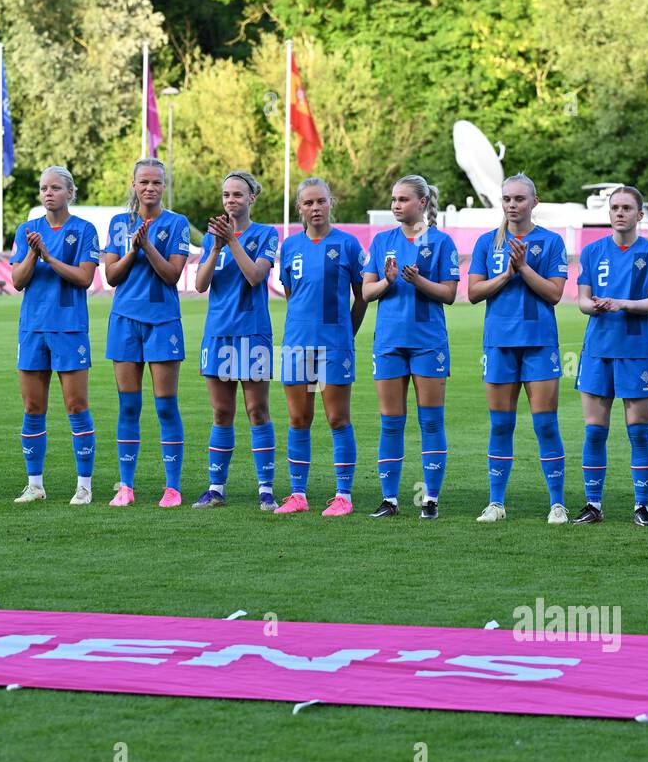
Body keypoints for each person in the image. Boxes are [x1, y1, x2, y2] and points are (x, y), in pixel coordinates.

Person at [467, 173, 569, 524]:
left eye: (520, 199)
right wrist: (506, 275)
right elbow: (473, 293)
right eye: (507, 199)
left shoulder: (551, 242)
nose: (512, 205)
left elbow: (554, 293)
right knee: (500, 425)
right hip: (499, 343)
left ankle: (557, 504)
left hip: (540, 343)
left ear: (534, 202)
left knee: (545, 425)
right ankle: (496, 503)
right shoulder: (487, 242)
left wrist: (523, 267)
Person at [361, 175, 458, 519]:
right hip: (388, 342)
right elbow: (365, 293)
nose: (396, 205)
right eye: (394, 199)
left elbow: (449, 294)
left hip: (428, 343)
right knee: (391, 422)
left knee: (431, 421)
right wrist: (387, 282)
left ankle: (429, 499)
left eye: (403, 199)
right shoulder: (381, 241)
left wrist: (418, 280)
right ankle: (390, 500)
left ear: (422, 203)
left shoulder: (441, 242)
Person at [572, 186, 648, 526]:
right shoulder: (592, 251)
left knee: (638, 430)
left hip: (636, 351)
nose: (620, 213)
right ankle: (593, 505)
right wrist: (595, 306)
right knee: (595, 431)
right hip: (597, 350)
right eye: (615, 207)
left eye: (627, 207)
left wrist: (622, 303)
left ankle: (642, 506)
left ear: (639, 214)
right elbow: (582, 300)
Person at [274, 177, 368, 516]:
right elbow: (291, 296)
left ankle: (343, 495)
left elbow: (362, 297)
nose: (315, 208)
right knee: (298, 418)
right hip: (297, 343)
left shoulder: (348, 245)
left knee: (337, 418)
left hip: (335, 346)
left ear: (331, 203)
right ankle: (298, 495)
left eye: (321, 202)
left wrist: (347, 333)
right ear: (299, 207)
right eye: (309, 203)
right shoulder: (290, 247)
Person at [103, 158, 192, 507]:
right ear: (134, 185)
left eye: (156, 182)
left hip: (163, 322)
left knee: (166, 406)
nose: (150, 188)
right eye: (144, 182)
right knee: (129, 406)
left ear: (164, 186)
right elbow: (111, 276)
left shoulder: (177, 223)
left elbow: (172, 275)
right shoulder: (118, 223)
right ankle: (126, 486)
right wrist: (133, 249)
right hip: (124, 320)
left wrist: (148, 246)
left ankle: (172, 488)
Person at [10, 166, 101, 505]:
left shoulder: (84, 230)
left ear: (69, 193)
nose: (48, 193)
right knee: (33, 407)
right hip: (33, 328)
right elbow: (18, 280)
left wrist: (48, 255)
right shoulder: (27, 231)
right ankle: (35, 485)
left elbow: (83, 278)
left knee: (76, 405)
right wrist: (34, 253)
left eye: (56, 188)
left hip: (69, 327)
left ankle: (84, 485)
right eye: (44, 188)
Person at [193, 171, 280, 510]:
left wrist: (232, 241)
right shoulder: (211, 239)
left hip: (252, 332)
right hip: (217, 333)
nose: (231, 201)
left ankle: (266, 489)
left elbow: (256, 276)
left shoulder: (265, 234)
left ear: (251, 198)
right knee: (221, 412)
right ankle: (216, 489)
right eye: (227, 195)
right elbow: (200, 284)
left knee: (257, 411)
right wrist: (216, 246)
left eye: (238, 195)